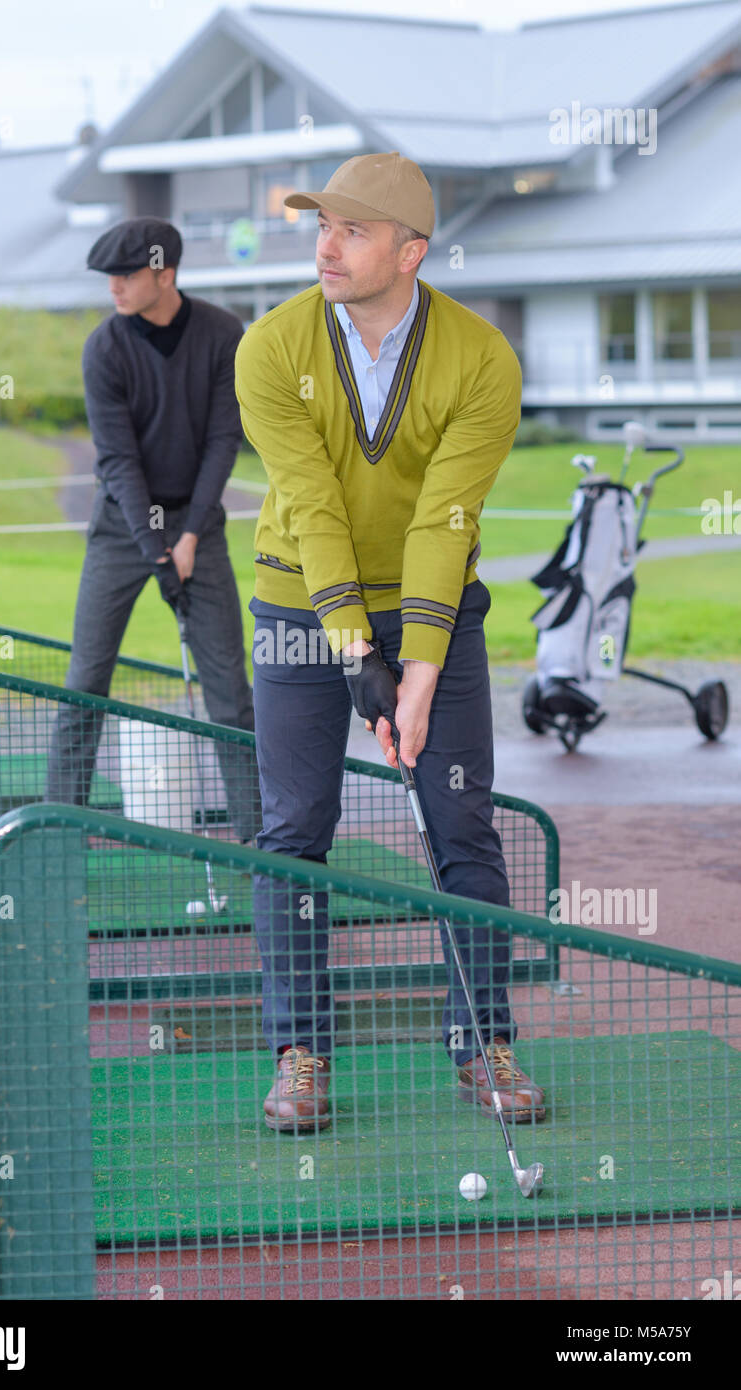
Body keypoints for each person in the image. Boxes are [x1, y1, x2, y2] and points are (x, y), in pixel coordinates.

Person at [234, 152, 546, 1131]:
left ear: (412, 251)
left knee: (461, 828)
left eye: (354, 230)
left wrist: (412, 675)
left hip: (434, 608)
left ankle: (482, 1041)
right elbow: (312, 503)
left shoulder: (481, 358)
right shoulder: (271, 348)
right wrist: (352, 655)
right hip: (300, 609)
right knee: (294, 829)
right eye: (320, 225)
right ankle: (300, 1051)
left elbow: (442, 521)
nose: (326, 245)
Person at [46, 216, 261, 844]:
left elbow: (225, 440)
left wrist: (190, 536)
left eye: (125, 274)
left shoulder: (224, 335)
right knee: (86, 677)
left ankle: (255, 835)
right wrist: (156, 547)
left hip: (200, 526)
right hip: (122, 528)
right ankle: (61, 825)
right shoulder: (104, 348)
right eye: (108, 276)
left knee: (230, 689)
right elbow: (116, 460)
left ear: (163, 272)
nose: (112, 287)